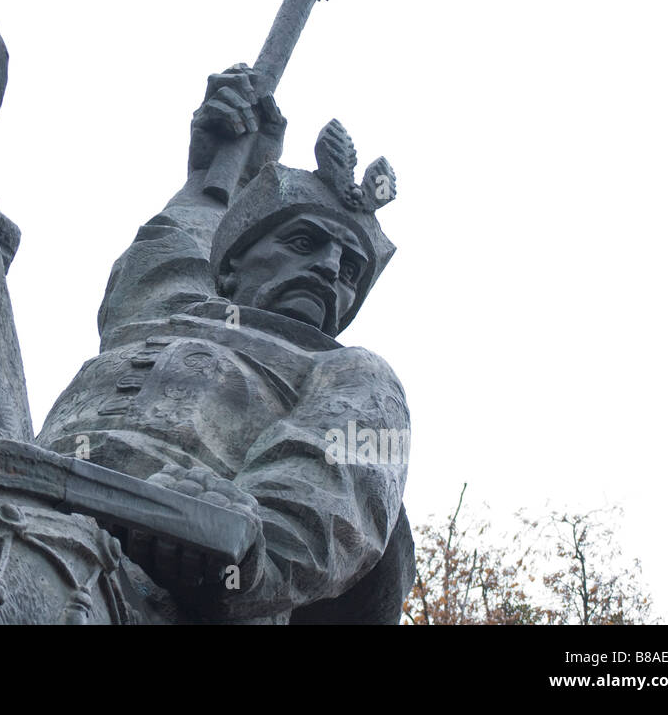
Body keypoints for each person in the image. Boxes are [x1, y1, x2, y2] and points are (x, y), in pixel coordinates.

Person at [39, 65, 414, 623]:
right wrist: (220, 165)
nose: (329, 270)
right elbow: (177, 239)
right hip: (20, 501)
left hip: (173, 592)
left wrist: (236, 546)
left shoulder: (352, 372)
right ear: (232, 264)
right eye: (304, 242)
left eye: (350, 268)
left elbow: (329, 505)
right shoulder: (166, 312)